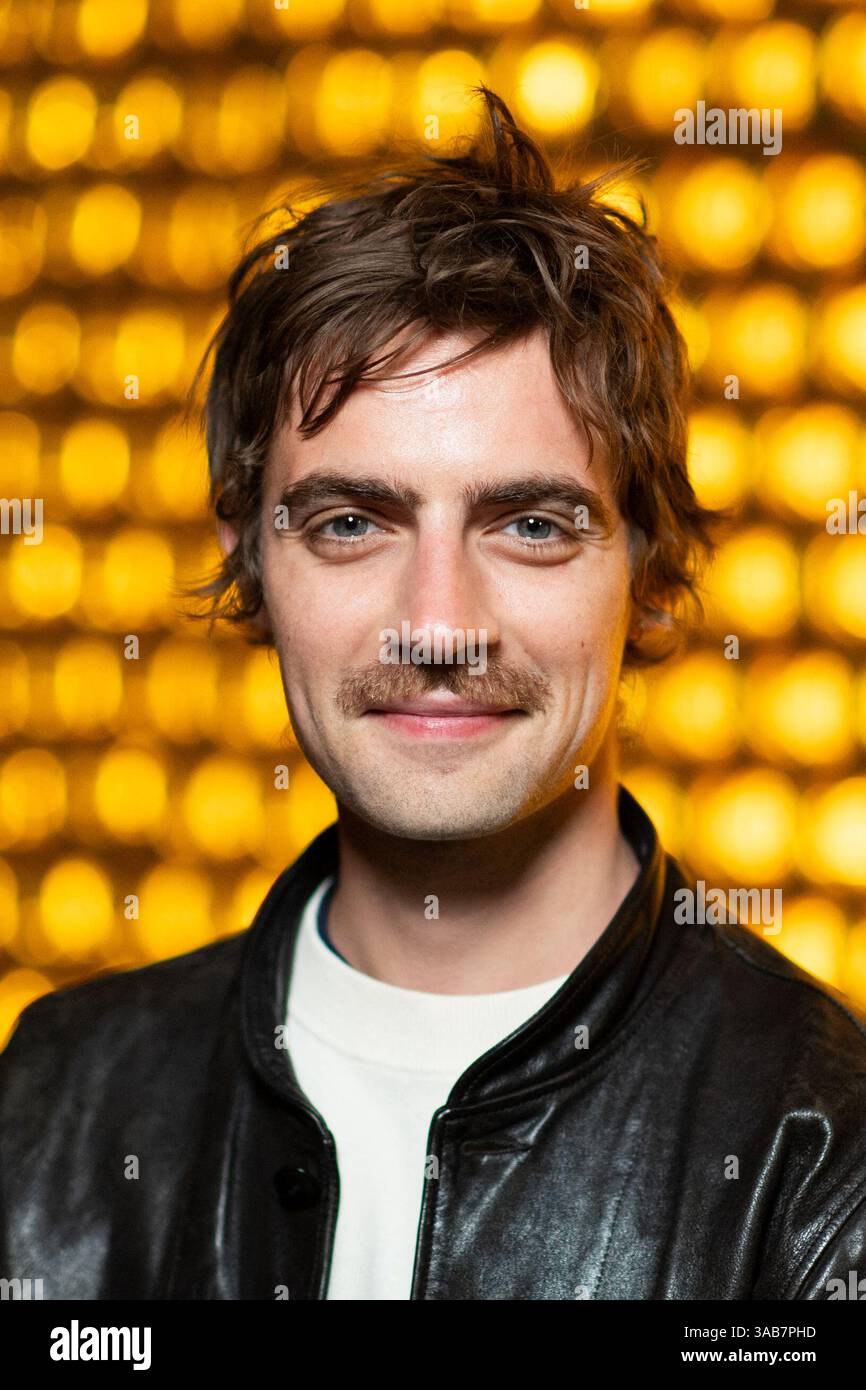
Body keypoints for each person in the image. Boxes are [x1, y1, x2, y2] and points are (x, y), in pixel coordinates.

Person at [1, 88, 864, 1302]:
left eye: (530, 525)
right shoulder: (56, 1098)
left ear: (654, 577)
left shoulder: (822, 1146)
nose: (439, 625)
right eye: (352, 523)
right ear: (253, 568)